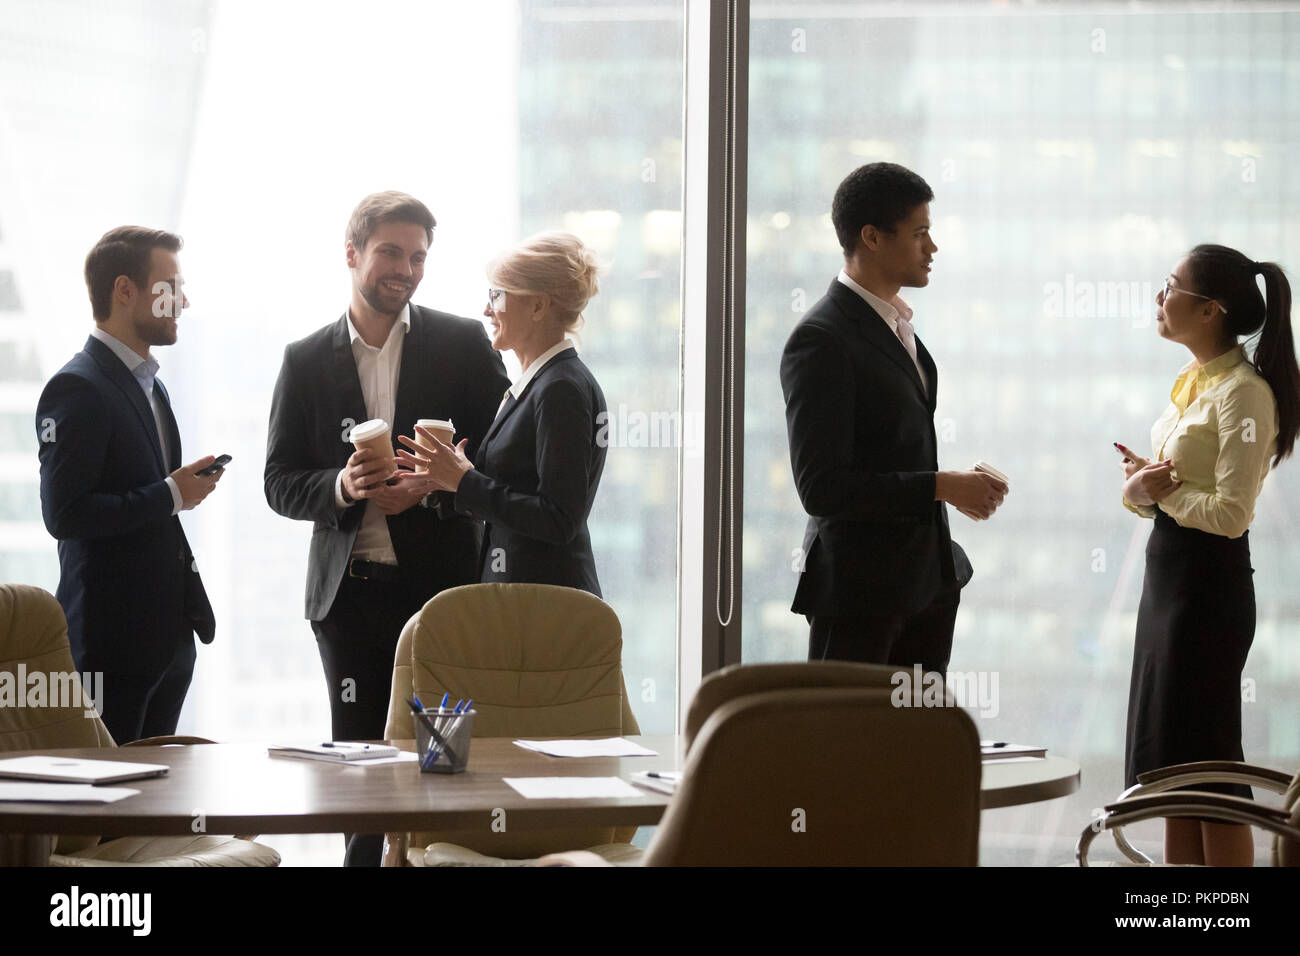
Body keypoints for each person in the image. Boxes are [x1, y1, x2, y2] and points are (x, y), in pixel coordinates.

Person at [263, 191, 508, 865]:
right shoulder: (305, 360)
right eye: (392, 252)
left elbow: (501, 456)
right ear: (352, 255)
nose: (406, 269)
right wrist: (342, 487)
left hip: (442, 599)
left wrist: (432, 489)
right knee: (360, 774)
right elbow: (278, 481)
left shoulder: (461, 344)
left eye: (419, 257)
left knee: (444, 766)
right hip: (350, 603)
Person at [779, 163, 1007, 672]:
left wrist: (951, 485)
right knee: (851, 745)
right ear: (872, 238)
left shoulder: (896, 324)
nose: (933, 247)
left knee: (916, 746)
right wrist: (941, 485)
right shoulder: (821, 338)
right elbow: (823, 488)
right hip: (859, 596)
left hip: (926, 587)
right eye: (920, 233)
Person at [1119, 244, 1298, 866]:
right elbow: (1176, 487)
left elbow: (1229, 513)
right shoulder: (1196, 384)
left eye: (1170, 286)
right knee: (1175, 772)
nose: (1159, 297)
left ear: (1211, 310)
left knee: (1212, 771)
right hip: (1169, 584)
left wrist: (1154, 495)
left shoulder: (1244, 394)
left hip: (1206, 594)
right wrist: (1142, 489)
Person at [35, 226, 223, 744]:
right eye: (171, 285)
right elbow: (65, 515)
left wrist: (177, 493)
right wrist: (171, 494)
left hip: (166, 641)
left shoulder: (151, 385)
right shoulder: (77, 386)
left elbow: (153, 500)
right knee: (108, 810)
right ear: (125, 290)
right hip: (110, 646)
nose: (183, 300)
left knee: (154, 802)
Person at [396, 231, 607, 597]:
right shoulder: (542, 383)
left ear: (538, 307)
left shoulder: (561, 388)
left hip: (546, 605)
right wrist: (447, 481)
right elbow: (520, 496)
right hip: (528, 599)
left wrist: (464, 481)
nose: (486, 309)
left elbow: (558, 519)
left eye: (497, 295)